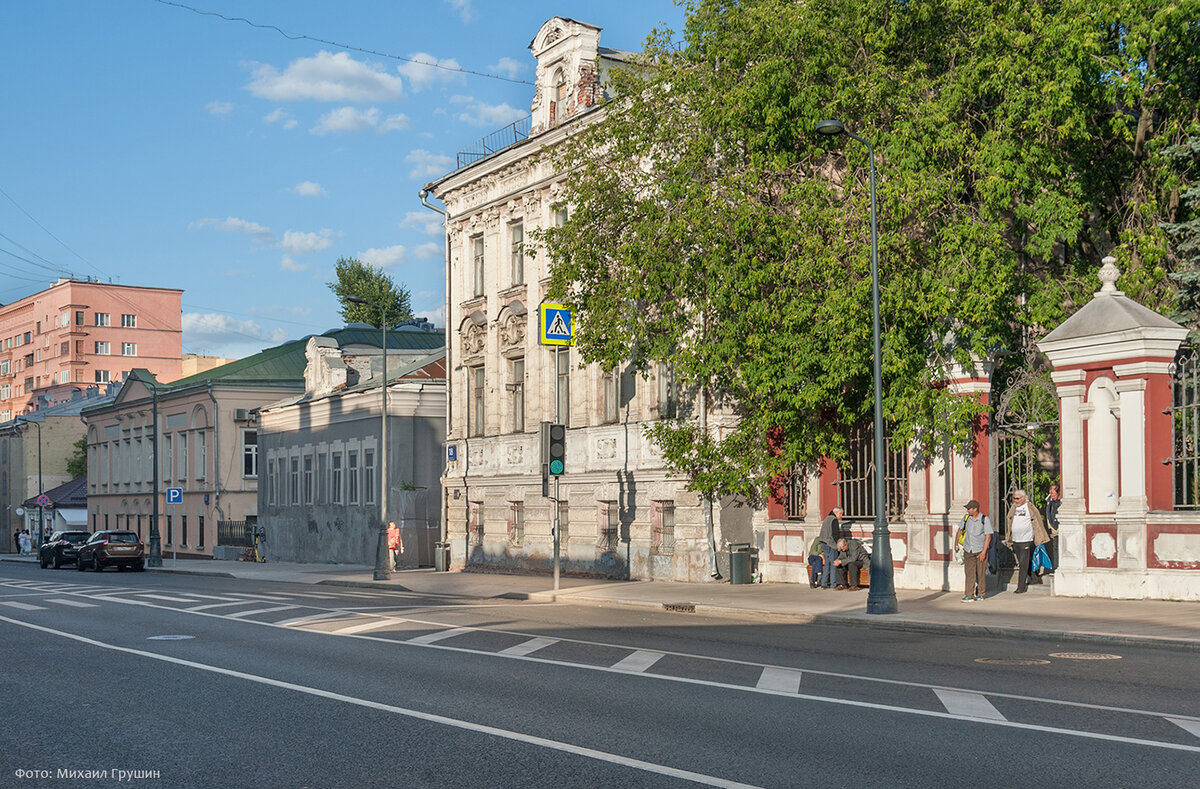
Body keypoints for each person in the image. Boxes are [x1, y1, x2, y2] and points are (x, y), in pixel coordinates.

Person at [1005, 489, 1053, 593]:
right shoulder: (1014, 508)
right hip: (1016, 539)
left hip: (1027, 539)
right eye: (1014, 498)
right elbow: (1009, 520)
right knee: (1022, 561)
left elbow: (1037, 521)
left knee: (1023, 563)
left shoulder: (1029, 507)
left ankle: (1020, 587)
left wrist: (1039, 537)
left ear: (1023, 498)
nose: (1015, 501)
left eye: (1017, 498)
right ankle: (1035, 578)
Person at [954, 500, 993, 601]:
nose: (967, 510)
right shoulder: (966, 518)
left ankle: (981, 593)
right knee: (969, 573)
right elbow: (960, 530)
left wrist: (984, 552)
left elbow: (988, 536)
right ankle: (969, 594)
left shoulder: (985, 519)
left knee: (980, 573)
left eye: (969, 509)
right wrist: (956, 543)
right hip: (968, 549)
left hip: (980, 550)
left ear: (975, 509)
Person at [817, 507, 843, 589]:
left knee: (827, 563)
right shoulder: (834, 520)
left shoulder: (826, 518)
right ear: (836, 512)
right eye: (840, 514)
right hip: (831, 543)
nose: (841, 516)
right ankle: (833, 584)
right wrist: (838, 545)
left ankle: (824, 583)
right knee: (833, 564)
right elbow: (835, 534)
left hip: (823, 542)